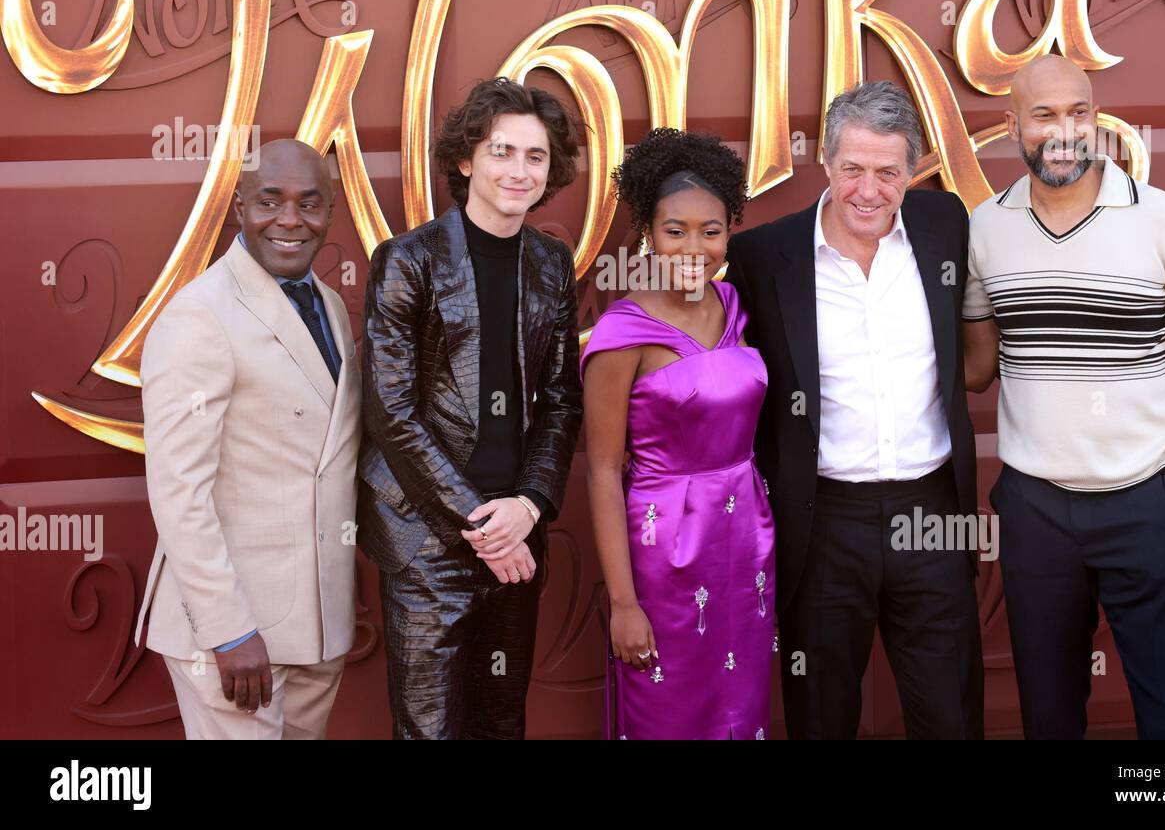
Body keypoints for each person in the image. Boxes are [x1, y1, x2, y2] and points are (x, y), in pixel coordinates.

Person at [963, 54, 1165, 739]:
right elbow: (975, 369)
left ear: (1097, 120)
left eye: (1079, 112)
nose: (1065, 131)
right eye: (1045, 114)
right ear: (1012, 127)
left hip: (1146, 499)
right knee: (1049, 717)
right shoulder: (983, 229)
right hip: (1033, 510)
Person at [725, 80, 983, 740]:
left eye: (887, 173)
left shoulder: (945, 225)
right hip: (822, 519)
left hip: (933, 514)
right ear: (826, 163)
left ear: (912, 171)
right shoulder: (762, 255)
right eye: (853, 170)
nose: (868, 191)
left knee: (950, 712)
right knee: (820, 715)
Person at [359, 77, 583, 739]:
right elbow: (390, 411)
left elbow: (563, 401)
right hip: (427, 540)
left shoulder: (550, 263)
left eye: (535, 157)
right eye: (501, 152)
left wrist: (529, 505)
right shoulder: (408, 262)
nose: (519, 171)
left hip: (517, 529)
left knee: (499, 722)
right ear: (465, 160)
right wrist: (480, 522)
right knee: (431, 730)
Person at [135, 138, 361, 739]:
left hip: (316, 632)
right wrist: (228, 629)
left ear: (330, 212)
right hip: (235, 642)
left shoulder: (333, 308)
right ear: (239, 208)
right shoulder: (199, 316)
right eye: (270, 201)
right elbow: (179, 491)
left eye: (310, 204)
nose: (290, 221)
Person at [581, 128, 774, 740]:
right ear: (647, 234)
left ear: (729, 232)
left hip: (746, 543)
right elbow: (604, 471)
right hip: (662, 554)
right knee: (668, 711)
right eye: (675, 230)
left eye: (711, 230)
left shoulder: (736, 306)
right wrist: (623, 603)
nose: (694, 246)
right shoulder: (623, 332)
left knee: (739, 709)